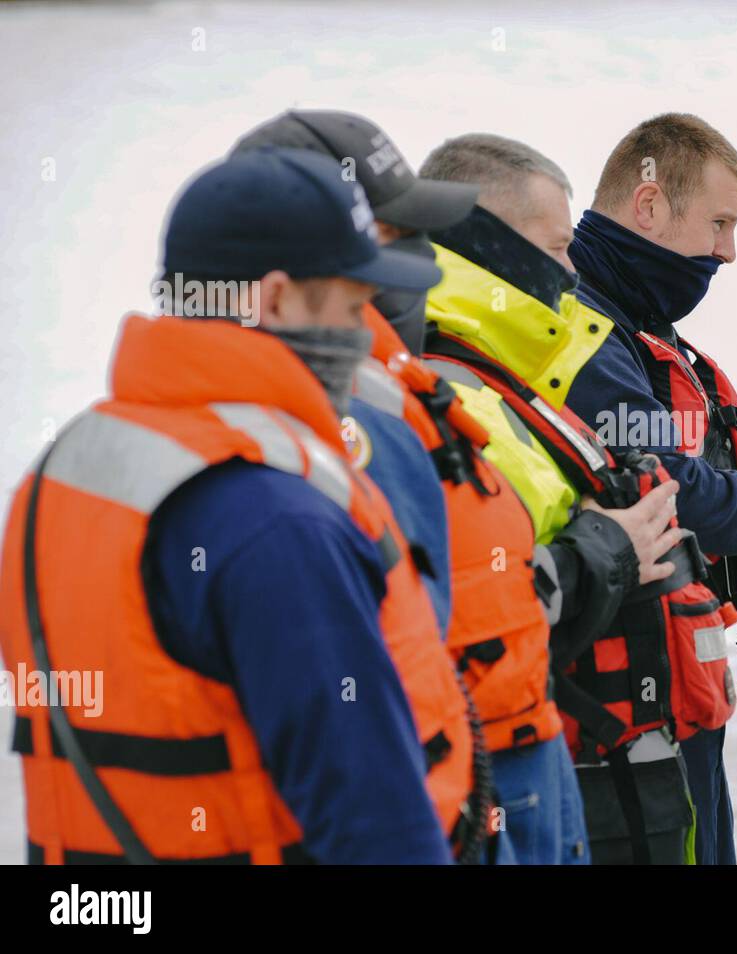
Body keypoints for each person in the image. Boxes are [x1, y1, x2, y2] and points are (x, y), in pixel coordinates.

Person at [0, 148, 475, 864]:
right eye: (353, 307)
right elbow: (374, 824)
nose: (365, 335)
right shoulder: (277, 517)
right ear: (277, 298)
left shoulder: (66, 468)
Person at [232, 110, 669, 864]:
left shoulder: (414, 391)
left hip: (517, 753)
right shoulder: (342, 426)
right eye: (395, 238)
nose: (414, 260)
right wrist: (604, 550)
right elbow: (400, 656)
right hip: (470, 782)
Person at [418, 134, 737, 864]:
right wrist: (611, 547)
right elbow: (458, 629)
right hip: (541, 772)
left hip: (603, 766)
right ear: (484, 246)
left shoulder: (515, 382)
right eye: (558, 247)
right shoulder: (443, 398)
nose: (572, 271)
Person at [564, 113, 737, 865]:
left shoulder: (645, 335)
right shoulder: (583, 329)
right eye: (719, 223)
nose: (729, 250)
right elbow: (671, 489)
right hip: (622, 716)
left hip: (681, 700)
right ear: (649, 206)